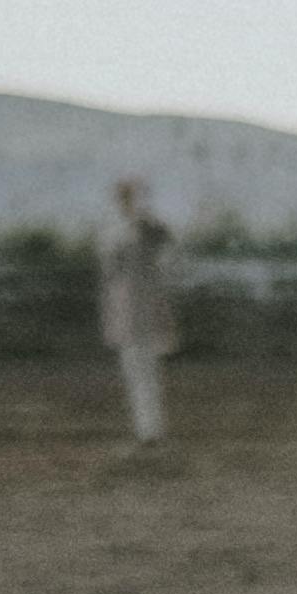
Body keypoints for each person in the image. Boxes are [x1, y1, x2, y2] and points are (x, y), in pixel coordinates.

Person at [100, 177, 180, 448]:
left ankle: (150, 431)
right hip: (129, 307)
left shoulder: (146, 229)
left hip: (142, 307)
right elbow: (111, 267)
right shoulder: (119, 231)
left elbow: (163, 249)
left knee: (145, 370)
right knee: (137, 369)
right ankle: (147, 430)